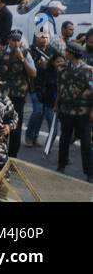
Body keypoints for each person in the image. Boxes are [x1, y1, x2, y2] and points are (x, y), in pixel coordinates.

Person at [0, 29, 35, 158]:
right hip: (2, 95)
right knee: (0, 125)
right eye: (14, 40)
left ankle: (13, 156)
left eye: (18, 40)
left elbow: (33, 73)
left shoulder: (25, 53)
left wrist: (22, 59)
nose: (16, 43)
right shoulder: (0, 53)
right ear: (9, 40)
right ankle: (0, 153)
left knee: (15, 126)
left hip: (18, 95)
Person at [55, 42, 93, 181]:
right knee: (64, 139)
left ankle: (89, 172)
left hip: (82, 112)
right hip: (66, 110)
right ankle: (61, 164)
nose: (65, 53)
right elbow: (59, 87)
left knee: (86, 143)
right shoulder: (62, 68)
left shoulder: (88, 70)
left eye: (67, 51)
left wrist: (92, 111)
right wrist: (56, 104)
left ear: (72, 53)